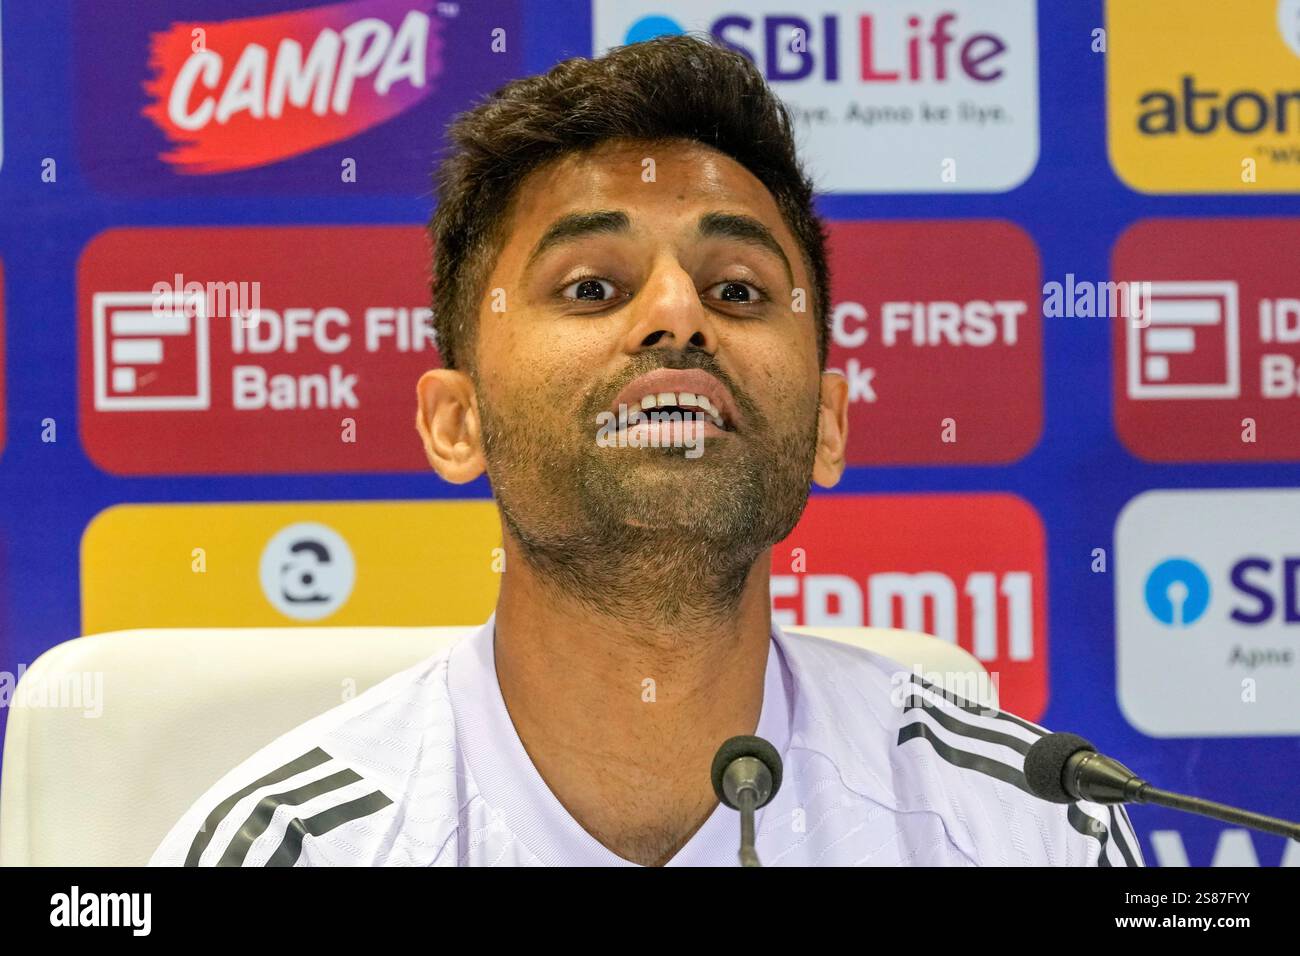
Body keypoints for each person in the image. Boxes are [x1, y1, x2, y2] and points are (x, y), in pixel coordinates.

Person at [149, 34, 1142, 867]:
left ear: (828, 424)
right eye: (590, 287)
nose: (677, 315)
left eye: (740, 290)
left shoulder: (1033, 825)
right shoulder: (289, 847)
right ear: (457, 423)